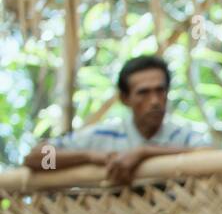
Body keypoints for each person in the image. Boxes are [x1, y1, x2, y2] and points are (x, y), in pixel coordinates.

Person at [22, 54, 210, 184]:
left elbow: (209, 156)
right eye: (143, 93)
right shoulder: (101, 136)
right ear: (125, 99)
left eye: (160, 91)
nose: (154, 101)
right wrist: (90, 156)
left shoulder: (182, 136)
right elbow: (36, 158)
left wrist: (144, 152)